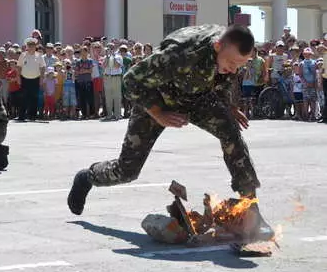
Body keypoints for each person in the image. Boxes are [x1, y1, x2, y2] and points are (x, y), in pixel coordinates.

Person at [67, 24, 274, 241]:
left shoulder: (229, 50)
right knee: (127, 170)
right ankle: (87, 177)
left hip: (197, 99)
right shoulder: (181, 53)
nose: (233, 69)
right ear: (217, 46)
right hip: (157, 98)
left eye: (239, 65)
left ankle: (251, 210)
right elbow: (131, 80)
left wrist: (229, 105)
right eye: (231, 63)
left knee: (231, 132)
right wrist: (158, 113)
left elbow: (225, 79)